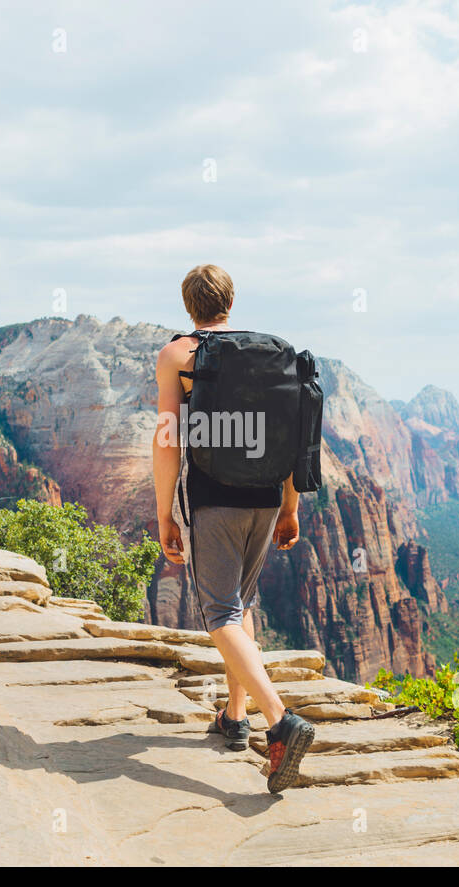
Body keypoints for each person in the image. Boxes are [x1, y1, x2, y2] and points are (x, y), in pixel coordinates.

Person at [151, 263, 315, 794]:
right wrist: (290, 506)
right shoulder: (274, 352)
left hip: (213, 496)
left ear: (189, 305)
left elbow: (168, 439)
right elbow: (292, 437)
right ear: (230, 301)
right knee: (241, 605)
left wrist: (165, 514)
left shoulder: (178, 355)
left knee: (219, 613)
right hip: (266, 495)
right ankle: (235, 717)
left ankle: (279, 721)